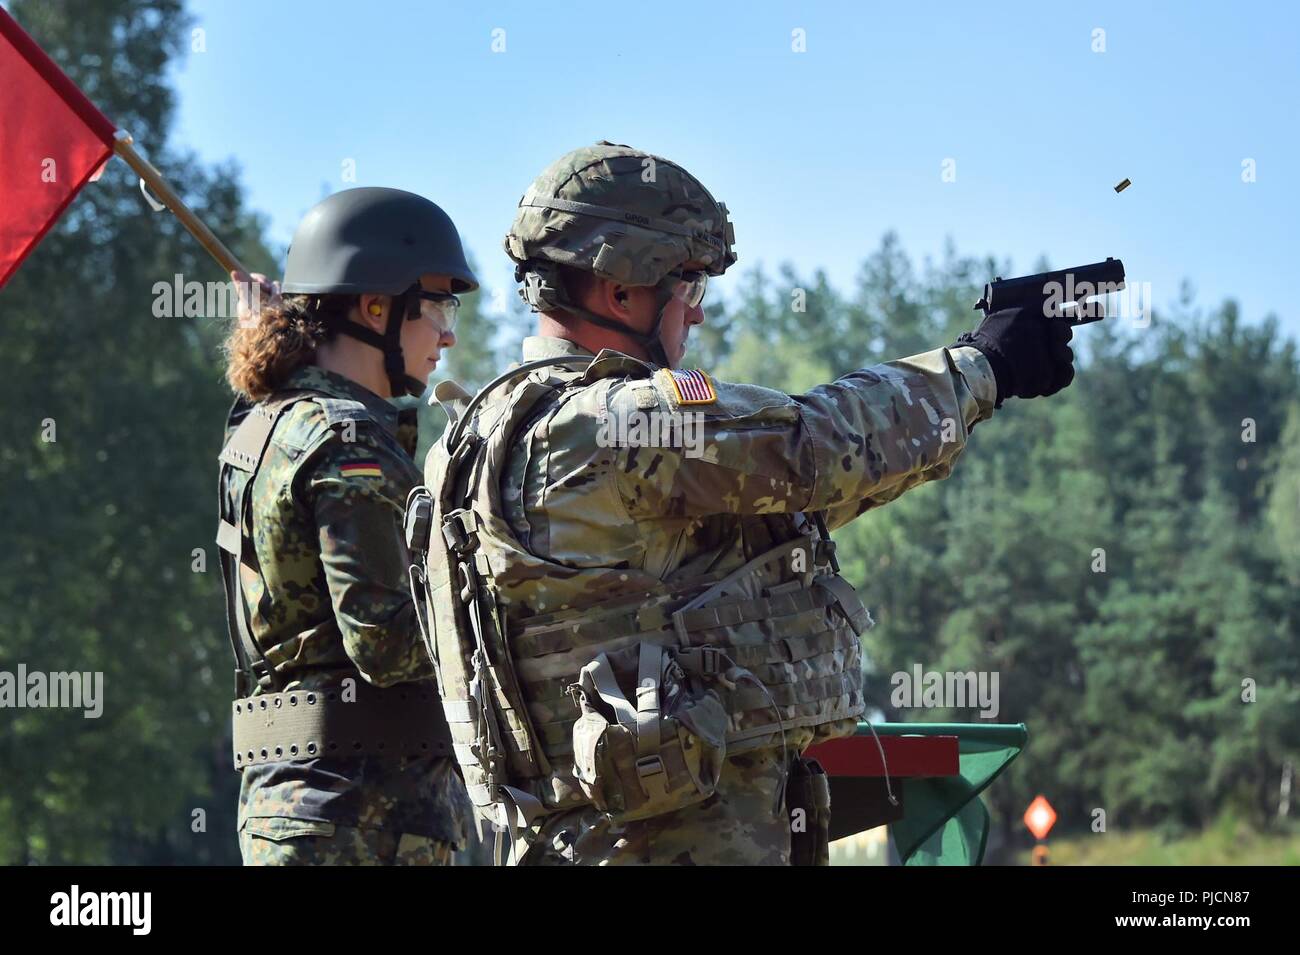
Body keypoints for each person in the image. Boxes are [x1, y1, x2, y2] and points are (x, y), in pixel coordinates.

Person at [409, 142, 1075, 865]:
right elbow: (815, 445)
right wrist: (982, 367)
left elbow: (779, 512)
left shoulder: (478, 437)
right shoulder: (619, 423)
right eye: (688, 287)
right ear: (619, 289)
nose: (693, 317)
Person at [218, 187, 476, 865]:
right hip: (362, 820)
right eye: (439, 306)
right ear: (374, 306)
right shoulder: (349, 439)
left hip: (294, 809)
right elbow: (386, 643)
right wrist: (498, 605)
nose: (449, 333)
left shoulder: (261, 426)